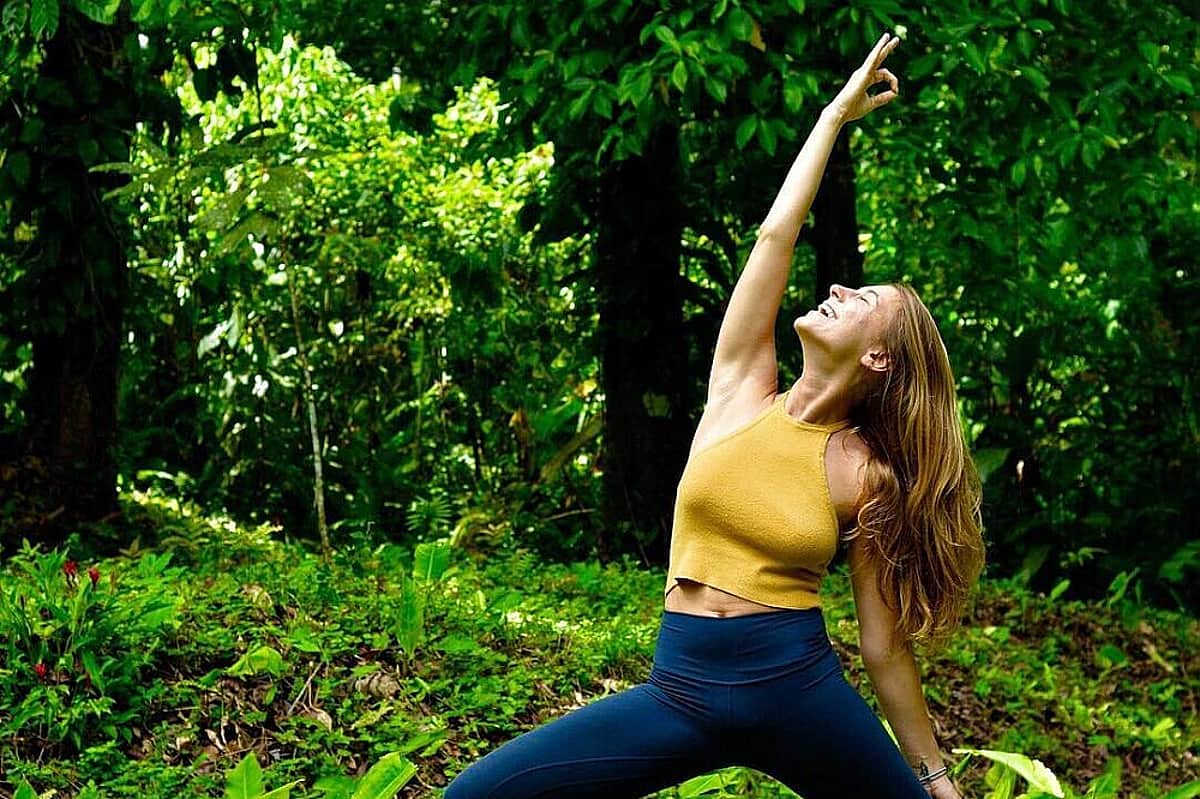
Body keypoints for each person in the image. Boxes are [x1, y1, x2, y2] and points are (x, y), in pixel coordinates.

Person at [442, 31, 984, 799]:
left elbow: (882, 643)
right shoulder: (738, 388)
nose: (837, 291)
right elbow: (775, 236)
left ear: (880, 360)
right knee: (475, 796)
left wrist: (935, 774)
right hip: (683, 686)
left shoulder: (867, 471)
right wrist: (832, 116)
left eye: (862, 300)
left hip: (796, 687)